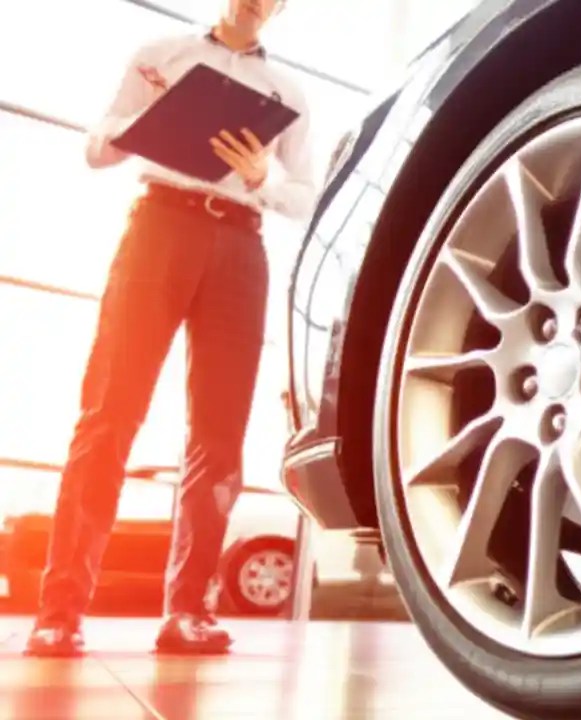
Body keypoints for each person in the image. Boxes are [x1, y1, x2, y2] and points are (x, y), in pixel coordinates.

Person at [25, 0, 317, 657]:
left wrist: (260, 177)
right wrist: (145, 129)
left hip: (241, 246)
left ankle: (188, 613)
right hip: (159, 227)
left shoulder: (289, 93)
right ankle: (59, 613)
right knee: (107, 415)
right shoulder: (160, 55)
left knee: (219, 434)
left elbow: (307, 193)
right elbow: (96, 147)